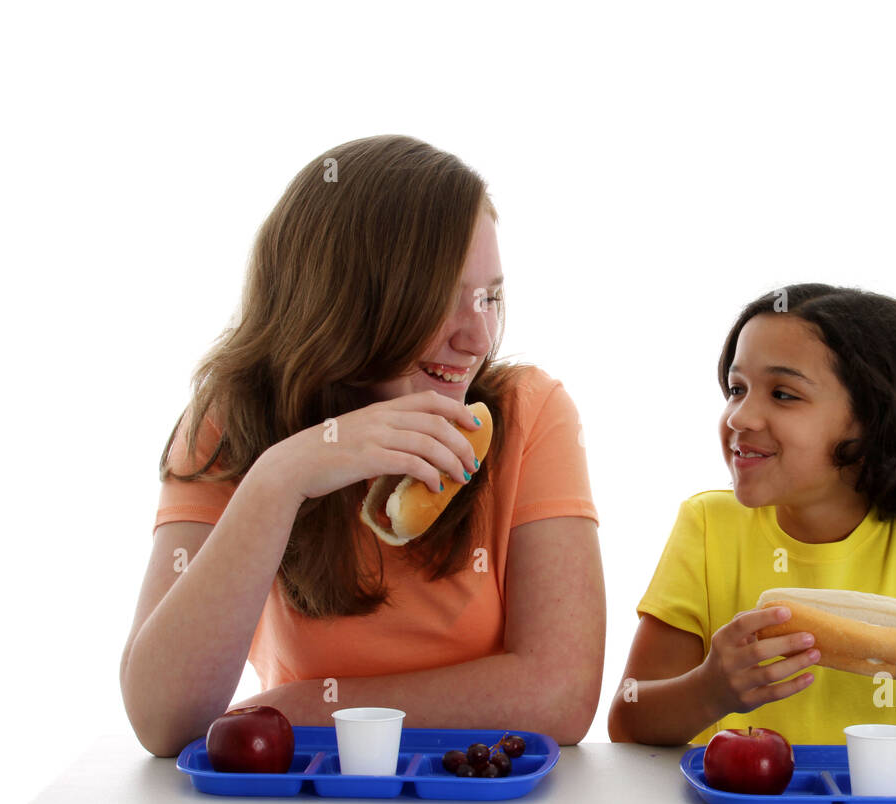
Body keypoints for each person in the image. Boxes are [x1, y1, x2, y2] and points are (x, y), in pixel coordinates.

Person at [122, 135, 605, 757]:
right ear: (344, 298)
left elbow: (560, 695)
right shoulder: (230, 421)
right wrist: (280, 479)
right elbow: (163, 719)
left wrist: (304, 705)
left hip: (481, 800)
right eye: (441, 299)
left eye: (489, 297)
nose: (478, 337)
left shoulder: (528, 412)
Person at [608, 284, 896, 750]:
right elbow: (628, 720)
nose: (740, 417)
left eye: (783, 394)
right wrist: (709, 690)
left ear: (875, 419)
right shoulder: (709, 525)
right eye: (736, 389)